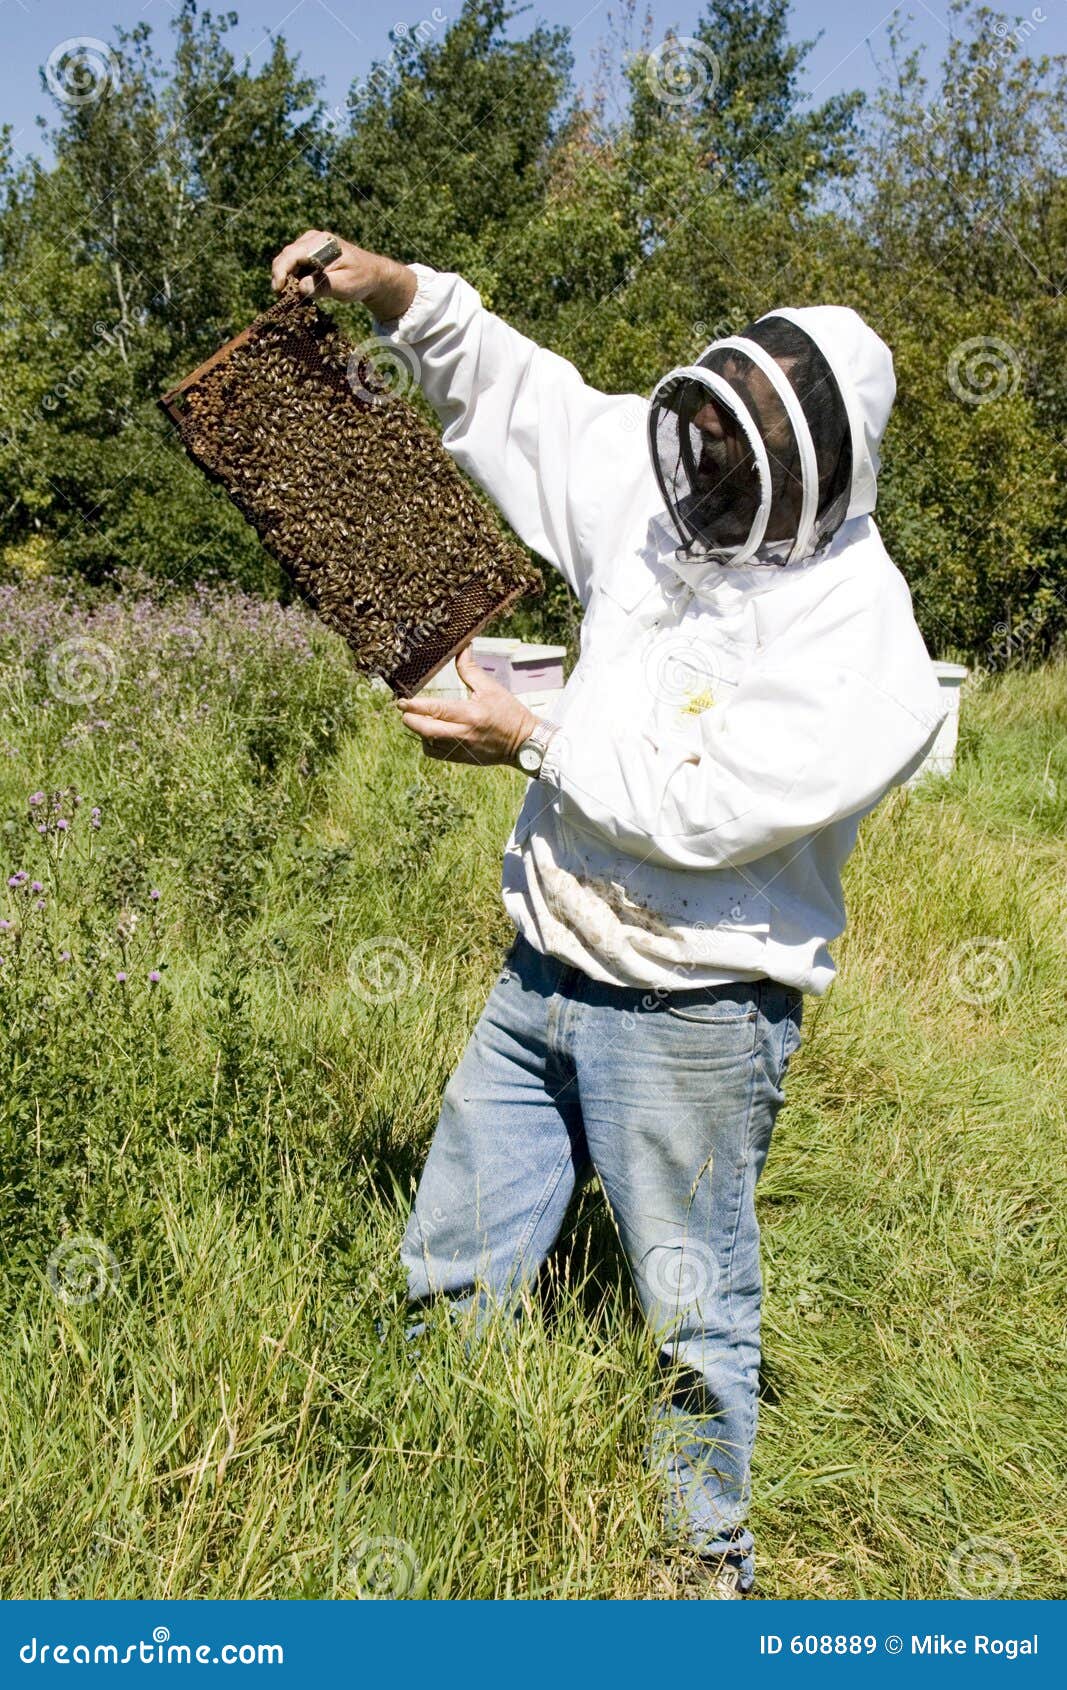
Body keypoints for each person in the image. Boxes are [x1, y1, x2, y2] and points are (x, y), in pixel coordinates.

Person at [271, 233, 947, 1597]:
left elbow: (704, 810)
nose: (707, 475)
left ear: (822, 476)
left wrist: (528, 735)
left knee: (693, 1310)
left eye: (740, 462)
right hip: (542, 970)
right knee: (455, 1255)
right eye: (702, 440)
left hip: (696, 1016)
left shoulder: (864, 638)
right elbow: (520, 395)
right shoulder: (655, 488)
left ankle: (704, 1569)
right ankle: (426, 1475)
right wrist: (394, 290)